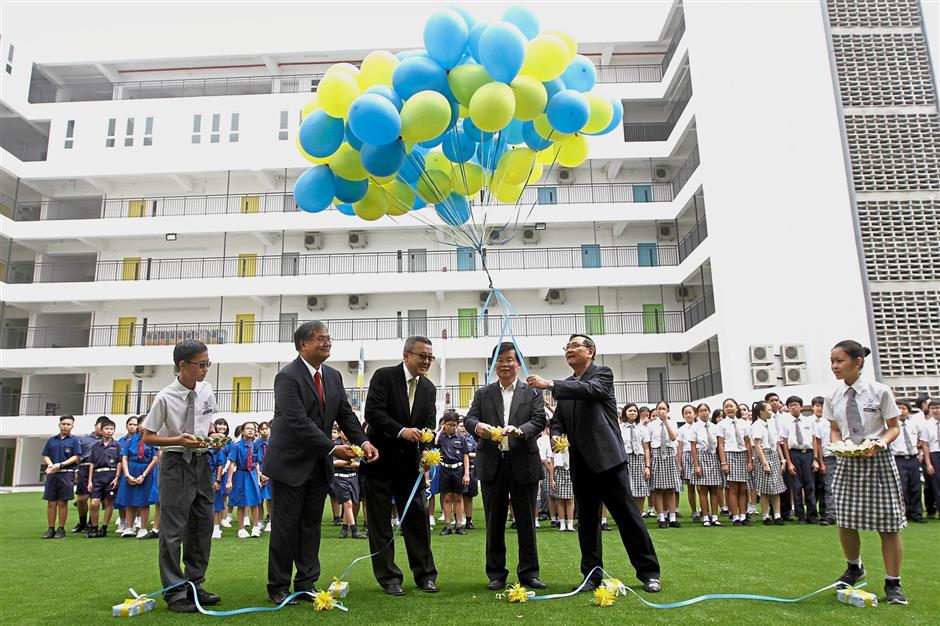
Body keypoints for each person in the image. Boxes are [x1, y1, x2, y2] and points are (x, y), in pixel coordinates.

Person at [528, 334, 661, 593]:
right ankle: (591, 574)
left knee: (628, 518)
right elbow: (559, 420)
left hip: (608, 460)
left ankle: (649, 573)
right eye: (567, 347)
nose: (569, 350)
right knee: (587, 521)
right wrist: (556, 434)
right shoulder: (565, 386)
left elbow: (592, 391)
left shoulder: (602, 375)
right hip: (581, 463)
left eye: (575, 346)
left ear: (590, 351)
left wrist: (549, 384)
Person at [264, 321, 375, 605]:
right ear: (302, 345)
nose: (327, 343)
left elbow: (345, 415)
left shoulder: (333, 376)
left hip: (318, 466)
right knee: (285, 527)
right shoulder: (287, 377)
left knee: (310, 526)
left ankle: (306, 582)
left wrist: (363, 441)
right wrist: (334, 448)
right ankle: (278, 585)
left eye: (329, 338)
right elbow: (298, 422)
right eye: (320, 339)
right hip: (290, 465)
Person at [141, 340, 221, 613]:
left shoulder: (207, 390)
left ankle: (195, 584)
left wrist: (213, 437)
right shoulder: (165, 396)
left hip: (202, 463)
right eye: (200, 364)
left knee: (202, 526)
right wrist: (179, 440)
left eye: (207, 363)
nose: (205, 369)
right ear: (182, 365)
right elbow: (148, 436)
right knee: (173, 531)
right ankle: (175, 591)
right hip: (175, 463)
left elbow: (207, 423)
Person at [825, 340, 907, 605]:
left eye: (840, 361)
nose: (835, 366)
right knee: (845, 518)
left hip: (877, 459)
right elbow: (836, 428)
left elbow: (893, 427)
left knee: (889, 523)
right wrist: (837, 444)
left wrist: (879, 443)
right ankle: (854, 567)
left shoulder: (879, 391)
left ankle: (893, 582)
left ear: (857, 362)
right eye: (832, 362)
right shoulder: (833, 396)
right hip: (847, 460)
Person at [465, 342, 547, 590]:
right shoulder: (483, 393)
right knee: (494, 521)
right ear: (493, 365)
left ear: (518, 364)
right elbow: (470, 419)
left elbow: (539, 420)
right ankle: (496, 574)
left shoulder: (532, 392)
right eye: (499, 360)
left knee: (526, 522)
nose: (505, 364)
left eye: (510, 360)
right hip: (492, 463)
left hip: (523, 462)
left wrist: (519, 431)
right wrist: (478, 428)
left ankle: (529, 573)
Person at [361, 335, 438, 596]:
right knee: (380, 523)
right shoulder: (384, 376)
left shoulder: (428, 388)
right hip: (379, 462)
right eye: (422, 356)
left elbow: (429, 426)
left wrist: (427, 451)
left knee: (418, 521)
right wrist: (401, 431)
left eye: (430, 357)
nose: (426, 361)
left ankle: (426, 575)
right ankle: (389, 577)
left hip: (410, 468)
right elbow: (372, 412)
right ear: (406, 356)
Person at [41, 416, 82, 539]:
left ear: (72, 426)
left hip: (66, 473)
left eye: (68, 424)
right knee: (51, 502)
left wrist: (61, 465)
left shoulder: (74, 441)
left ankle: (61, 528)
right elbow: (46, 455)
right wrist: (51, 465)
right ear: (59, 425)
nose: (65, 426)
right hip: (52, 473)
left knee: (62, 502)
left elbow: (76, 456)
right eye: (63, 424)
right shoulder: (51, 440)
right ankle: (51, 528)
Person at [119, 416, 157, 539]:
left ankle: (143, 528)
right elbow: (124, 456)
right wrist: (127, 474)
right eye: (141, 424)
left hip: (145, 471)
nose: (143, 426)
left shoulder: (152, 440)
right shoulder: (130, 440)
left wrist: (144, 475)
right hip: (131, 469)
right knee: (130, 500)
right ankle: (129, 527)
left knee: (143, 501)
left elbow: (155, 458)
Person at [716, 397, 753, 526]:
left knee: (743, 488)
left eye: (731, 406)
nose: (729, 408)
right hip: (730, 454)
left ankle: (743, 515)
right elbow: (720, 444)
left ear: (736, 408)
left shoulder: (744, 424)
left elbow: (748, 443)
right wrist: (723, 462)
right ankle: (735, 515)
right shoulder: (721, 425)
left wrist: (750, 460)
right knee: (732, 488)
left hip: (742, 455)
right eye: (726, 406)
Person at [781, 396, 818, 524]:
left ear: (801, 407)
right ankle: (800, 515)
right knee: (796, 486)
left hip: (808, 453)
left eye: (796, 404)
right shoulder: (785, 423)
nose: (793, 407)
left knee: (810, 485)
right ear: (787, 407)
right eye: (790, 405)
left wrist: (815, 459)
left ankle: (812, 515)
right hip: (794, 453)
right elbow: (785, 443)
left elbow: (814, 440)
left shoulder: (809, 421)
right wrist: (789, 462)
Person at [750, 401, 786, 525]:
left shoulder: (771, 423)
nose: (771, 412)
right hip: (763, 455)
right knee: (765, 489)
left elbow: (776, 444)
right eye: (769, 409)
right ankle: (766, 515)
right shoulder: (756, 425)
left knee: (776, 487)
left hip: (773, 454)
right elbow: (757, 445)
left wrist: (783, 460)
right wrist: (764, 462)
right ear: (761, 411)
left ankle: (777, 514)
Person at [85, 418, 122, 538]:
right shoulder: (95, 447)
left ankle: (104, 528)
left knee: (108, 503)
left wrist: (117, 477)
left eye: (111, 429)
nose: (109, 431)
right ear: (101, 430)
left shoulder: (117, 446)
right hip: (97, 476)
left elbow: (119, 463)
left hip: (111, 475)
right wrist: (90, 480)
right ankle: (94, 527)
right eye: (107, 429)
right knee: (94, 503)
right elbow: (91, 464)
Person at [688, 403, 723, 527]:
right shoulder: (694, 427)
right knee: (703, 489)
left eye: (706, 410)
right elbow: (693, 447)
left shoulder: (715, 427)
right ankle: (706, 516)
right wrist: (696, 465)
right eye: (701, 411)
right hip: (701, 456)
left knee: (714, 489)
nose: (704, 413)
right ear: (697, 413)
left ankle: (715, 516)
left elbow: (719, 444)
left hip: (713, 456)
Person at [891, 401, 926, 524]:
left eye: (904, 408)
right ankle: (903, 513)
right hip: (899, 458)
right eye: (898, 408)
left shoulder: (913, 425)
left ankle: (917, 513)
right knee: (902, 487)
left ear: (908, 410)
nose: (901, 410)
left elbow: (921, 439)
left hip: (913, 458)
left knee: (916, 487)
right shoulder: (891, 426)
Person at [226, 421, 263, 538]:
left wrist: (258, 478)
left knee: (255, 502)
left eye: (253, 429)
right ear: (242, 430)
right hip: (240, 475)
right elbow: (232, 463)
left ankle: (256, 527)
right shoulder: (236, 446)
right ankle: (241, 529)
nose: (251, 430)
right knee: (241, 503)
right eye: (248, 428)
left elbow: (257, 463)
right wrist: (229, 480)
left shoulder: (256, 445)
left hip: (251, 474)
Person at [73, 416, 108, 533]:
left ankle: (91, 522)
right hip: (84, 467)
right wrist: (77, 471)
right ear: (96, 426)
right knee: (82, 498)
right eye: (101, 426)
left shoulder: (108, 441)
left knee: (95, 498)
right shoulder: (84, 439)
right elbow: (77, 455)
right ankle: (81, 521)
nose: (103, 429)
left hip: (99, 470)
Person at [437, 413, 470, 535]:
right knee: (447, 497)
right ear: (444, 424)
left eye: (454, 425)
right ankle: (447, 525)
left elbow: (466, 456)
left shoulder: (461, 438)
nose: (451, 427)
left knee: (458, 497)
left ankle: (459, 525)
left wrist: (466, 474)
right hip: (445, 469)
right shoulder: (441, 438)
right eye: (448, 425)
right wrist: (441, 431)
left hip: (458, 470)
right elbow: (433, 442)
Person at [648, 401, 680, 528]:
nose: (661, 411)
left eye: (664, 408)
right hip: (656, 454)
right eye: (659, 408)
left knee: (671, 489)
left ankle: (672, 517)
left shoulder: (672, 422)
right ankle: (661, 517)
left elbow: (673, 437)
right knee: (658, 489)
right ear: (655, 410)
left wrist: (666, 421)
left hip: (670, 453)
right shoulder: (651, 425)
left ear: (668, 410)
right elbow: (649, 443)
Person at [333, 427, 367, 539]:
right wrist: (348, 462)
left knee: (354, 502)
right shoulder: (335, 446)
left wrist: (343, 463)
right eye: (343, 431)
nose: (346, 434)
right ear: (339, 433)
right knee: (348, 504)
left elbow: (358, 464)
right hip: (339, 477)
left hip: (353, 477)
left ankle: (344, 529)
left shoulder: (355, 445)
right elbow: (333, 463)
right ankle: (354, 530)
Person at [619, 403, 652, 516]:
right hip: (625, 459)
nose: (633, 413)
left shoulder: (642, 428)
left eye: (634, 411)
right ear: (625, 413)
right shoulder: (620, 428)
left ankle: (639, 515)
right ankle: (627, 516)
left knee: (640, 490)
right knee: (626, 490)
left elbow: (646, 448)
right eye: (630, 411)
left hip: (639, 459)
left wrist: (647, 466)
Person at [812, 396, 836, 526]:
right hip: (828, 457)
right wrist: (820, 461)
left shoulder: (840, 420)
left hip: (843, 456)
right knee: (829, 487)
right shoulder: (820, 423)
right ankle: (831, 514)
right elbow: (818, 443)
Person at [115, 416, 140, 534]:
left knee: (137, 496)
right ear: (126, 425)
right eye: (130, 424)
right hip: (122, 470)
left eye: (135, 424)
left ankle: (137, 519)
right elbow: (120, 458)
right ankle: (123, 520)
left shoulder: (140, 439)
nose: (133, 427)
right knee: (121, 497)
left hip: (136, 470)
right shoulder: (121, 441)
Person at [675, 404, 699, 523]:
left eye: (690, 412)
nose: (688, 415)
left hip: (699, 456)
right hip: (686, 456)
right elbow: (679, 448)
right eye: (686, 413)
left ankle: (704, 510)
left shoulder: (699, 427)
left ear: (695, 413)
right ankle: (694, 511)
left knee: (702, 486)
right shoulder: (681, 430)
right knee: (690, 487)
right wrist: (679, 464)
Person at [919, 400, 940, 519]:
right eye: (933, 408)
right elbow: (925, 444)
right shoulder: (926, 425)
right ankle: (933, 509)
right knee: (935, 484)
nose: (936, 410)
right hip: (934, 454)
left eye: (938, 408)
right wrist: (928, 463)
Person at [457, 420, 478, 530]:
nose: (463, 428)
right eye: (460, 426)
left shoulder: (473, 439)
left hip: (471, 469)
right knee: (457, 496)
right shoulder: (453, 438)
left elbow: (478, 453)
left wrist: (466, 454)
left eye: (465, 426)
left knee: (469, 496)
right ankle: (458, 519)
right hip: (457, 470)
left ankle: (469, 520)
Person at [257, 421, 273, 532]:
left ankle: (271, 521)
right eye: (262, 429)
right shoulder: (255, 444)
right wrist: (260, 474)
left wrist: (268, 474)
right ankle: (259, 521)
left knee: (271, 499)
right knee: (259, 499)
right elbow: (254, 461)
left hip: (271, 474)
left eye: (266, 428)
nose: (264, 431)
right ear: (258, 431)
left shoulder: (274, 443)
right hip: (258, 474)